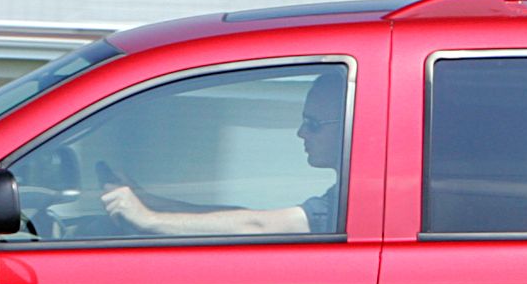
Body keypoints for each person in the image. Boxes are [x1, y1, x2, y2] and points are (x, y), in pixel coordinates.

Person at [99, 66, 344, 237]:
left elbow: (260, 225)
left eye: (313, 124)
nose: (301, 133)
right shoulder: (344, 197)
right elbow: (249, 218)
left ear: (351, 126)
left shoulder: (365, 196)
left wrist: (148, 220)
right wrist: (150, 202)